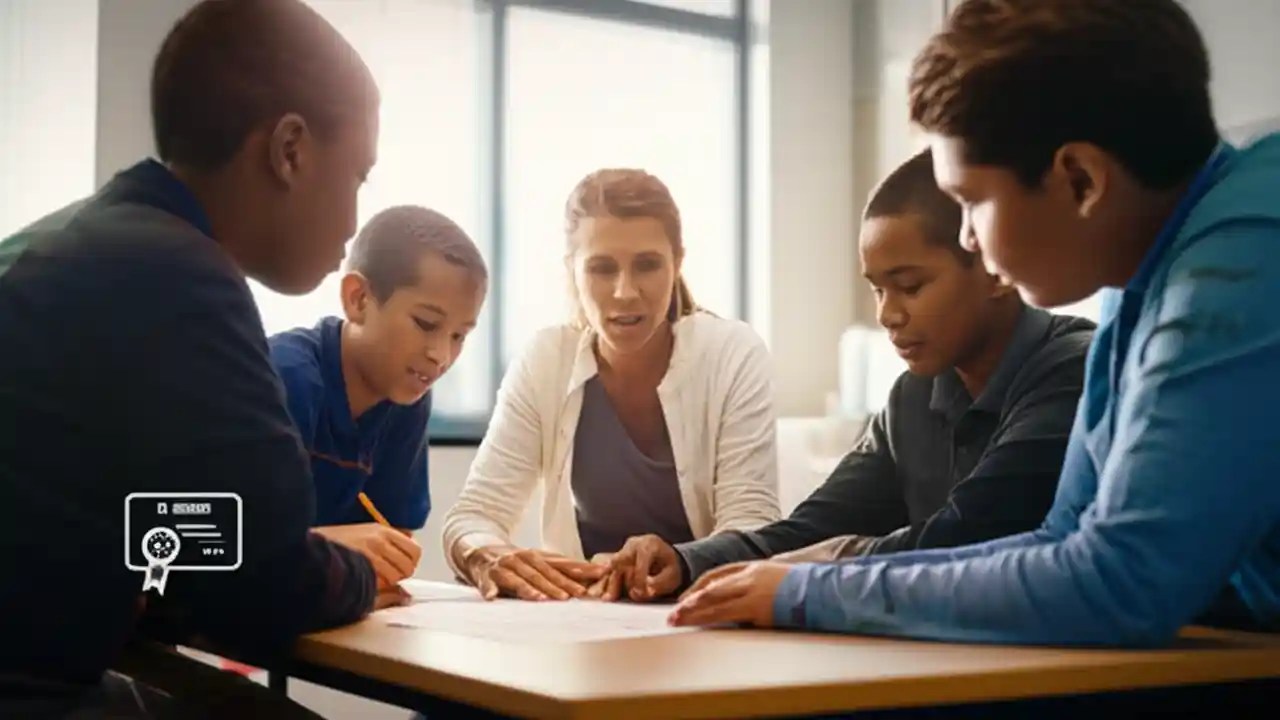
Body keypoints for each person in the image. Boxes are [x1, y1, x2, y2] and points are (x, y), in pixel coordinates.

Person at [668, 0, 1280, 648]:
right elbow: (1063, 540)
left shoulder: (1241, 265)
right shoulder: (1143, 287)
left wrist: (808, 592)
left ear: (1080, 180)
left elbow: (1117, 582)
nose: (966, 235)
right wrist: (798, 577)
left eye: (969, 201)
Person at [0, 1, 400, 717]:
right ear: (291, 150)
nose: (350, 223)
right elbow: (264, 587)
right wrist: (356, 570)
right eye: (358, 178)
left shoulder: (71, 243)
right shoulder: (178, 274)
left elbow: (131, 528)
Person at [606, 149, 1094, 602]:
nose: (887, 315)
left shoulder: (1072, 371)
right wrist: (685, 560)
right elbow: (812, 527)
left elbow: (966, 536)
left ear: (993, 268)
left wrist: (803, 575)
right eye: (878, 291)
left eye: (909, 286)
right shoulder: (912, 396)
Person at [441, 168, 780, 602]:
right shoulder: (546, 360)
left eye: (647, 265)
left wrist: (680, 559)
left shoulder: (732, 353)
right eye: (602, 268)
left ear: (677, 263)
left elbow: (754, 526)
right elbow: (472, 516)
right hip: (585, 625)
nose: (625, 292)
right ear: (572, 272)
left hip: (706, 620)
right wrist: (488, 554)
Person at [270, 206, 487, 589]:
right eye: (426, 324)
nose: (441, 355)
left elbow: (394, 545)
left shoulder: (407, 398)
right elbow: (211, 542)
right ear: (358, 299)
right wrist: (323, 548)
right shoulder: (283, 378)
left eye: (459, 336)